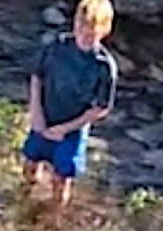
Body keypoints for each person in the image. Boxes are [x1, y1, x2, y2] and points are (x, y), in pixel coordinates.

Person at [23, 0, 118, 208]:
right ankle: (24, 200)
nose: (84, 35)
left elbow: (101, 107)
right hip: (45, 116)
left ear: (104, 31)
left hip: (72, 130)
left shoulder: (103, 66)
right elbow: (37, 77)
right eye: (80, 27)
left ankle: (54, 217)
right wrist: (36, 114)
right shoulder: (57, 47)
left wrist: (64, 129)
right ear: (74, 23)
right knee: (31, 161)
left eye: (91, 32)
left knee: (62, 177)